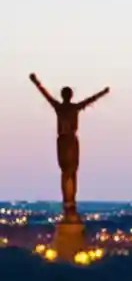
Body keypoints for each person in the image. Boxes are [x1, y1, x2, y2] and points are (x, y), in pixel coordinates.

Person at [29, 73, 110, 220]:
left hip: (64, 140)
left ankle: (68, 202)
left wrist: (36, 83)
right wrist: (103, 93)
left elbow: (45, 94)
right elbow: (90, 100)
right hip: (70, 140)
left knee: (66, 172)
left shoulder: (60, 107)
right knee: (71, 172)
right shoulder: (72, 108)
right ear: (70, 95)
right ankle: (70, 202)